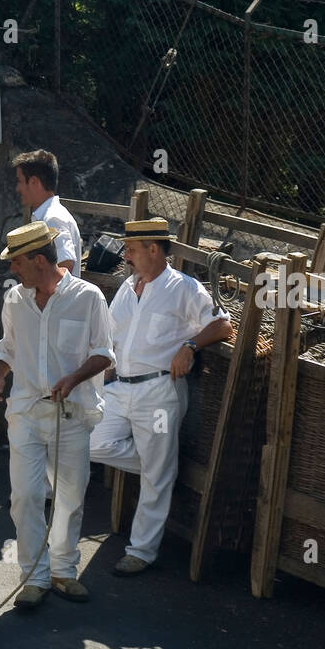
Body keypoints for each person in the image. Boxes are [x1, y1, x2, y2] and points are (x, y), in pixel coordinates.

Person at [90, 218, 233, 576]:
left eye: (132, 249)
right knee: (89, 441)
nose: (125, 255)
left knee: (155, 474)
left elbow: (223, 324)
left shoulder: (184, 288)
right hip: (120, 387)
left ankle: (141, 551)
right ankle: (162, 468)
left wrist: (190, 345)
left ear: (153, 250)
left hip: (159, 392)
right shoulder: (127, 288)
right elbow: (111, 335)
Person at [0, 221, 115, 608]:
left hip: (71, 413)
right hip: (25, 410)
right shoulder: (15, 300)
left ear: (40, 260)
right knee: (24, 496)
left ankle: (63, 571)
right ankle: (34, 578)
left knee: (70, 497)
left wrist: (74, 378)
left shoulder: (88, 297)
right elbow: (7, 347)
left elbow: (105, 354)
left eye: (17, 263)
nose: (13, 270)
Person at [13, 149, 81, 273]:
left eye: (20, 181)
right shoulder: (45, 216)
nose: (17, 188)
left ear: (34, 182)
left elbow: (66, 264)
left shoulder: (53, 218)